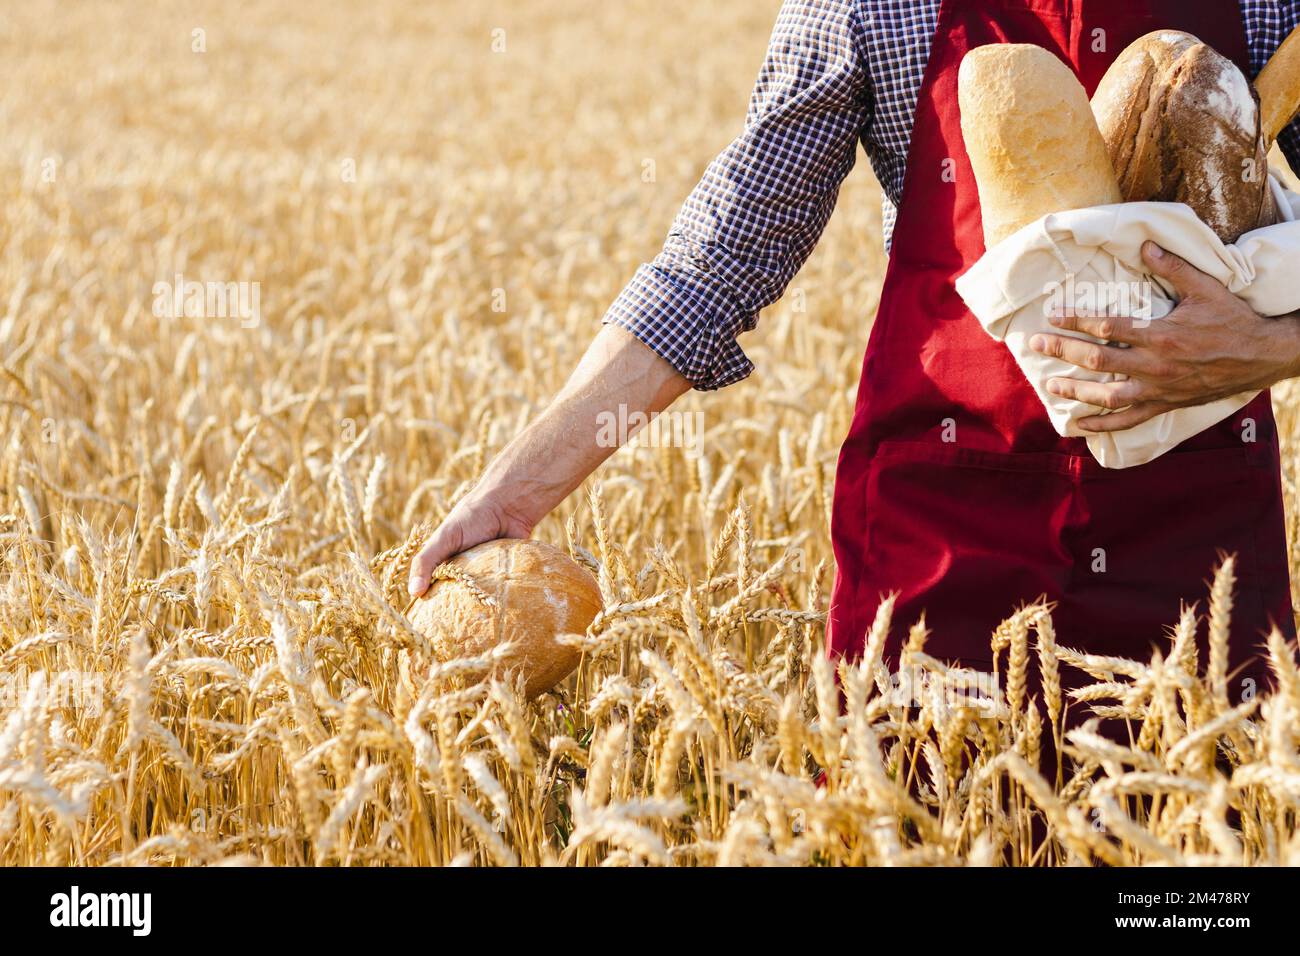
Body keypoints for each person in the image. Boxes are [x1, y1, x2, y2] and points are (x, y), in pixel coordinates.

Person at [409, 0, 1300, 707]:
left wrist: (1261, 347)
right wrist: (514, 490)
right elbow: (716, 264)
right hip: (943, 551)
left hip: (1197, 544)